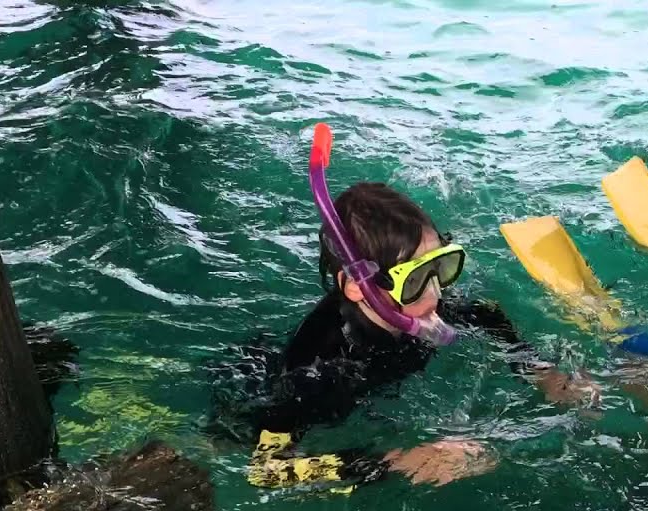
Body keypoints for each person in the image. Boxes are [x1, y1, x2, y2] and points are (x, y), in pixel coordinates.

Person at [213, 125, 596, 491]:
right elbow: (268, 471)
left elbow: (488, 316)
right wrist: (398, 461)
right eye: (415, 280)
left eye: (441, 267)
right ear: (358, 288)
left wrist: (542, 373)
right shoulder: (321, 370)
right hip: (251, 390)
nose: (436, 294)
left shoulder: (427, 307)